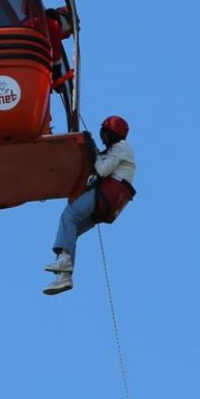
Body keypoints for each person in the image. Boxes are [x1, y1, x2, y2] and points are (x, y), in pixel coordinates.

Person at [43, 115, 136, 295]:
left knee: (69, 216)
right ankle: (65, 277)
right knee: (72, 229)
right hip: (109, 206)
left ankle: (66, 262)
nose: (104, 140)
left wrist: (94, 153)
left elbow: (102, 170)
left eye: (106, 135)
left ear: (112, 134)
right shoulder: (118, 150)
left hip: (106, 196)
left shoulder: (121, 148)